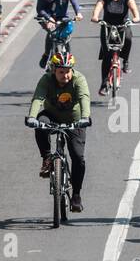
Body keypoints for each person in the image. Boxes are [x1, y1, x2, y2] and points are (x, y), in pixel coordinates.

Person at [26, 52, 91, 213]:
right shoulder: (46, 80)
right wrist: (32, 117)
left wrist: (85, 117)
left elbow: (84, 98)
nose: (65, 75)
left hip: (75, 120)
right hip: (52, 115)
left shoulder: (78, 79)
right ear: (53, 70)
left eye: (68, 71)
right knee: (40, 124)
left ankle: (76, 195)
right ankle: (47, 158)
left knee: (78, 157)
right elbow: (38, 98)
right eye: (61, 72)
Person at [90, 0, 140, 95]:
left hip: (122, 28)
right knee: (107, 55)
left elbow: (135, 11)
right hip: (107, 28)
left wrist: (136, 18)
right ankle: (103, 84)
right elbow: (98, 7)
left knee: (128, 38)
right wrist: (95, 16)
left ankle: (126, 61)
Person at [35, 0, 82, 69]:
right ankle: (47, 54)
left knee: (66, 34)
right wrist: (48, 18)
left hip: (62, 18)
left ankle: (68, 60)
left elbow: (75, 2)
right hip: (46, 17)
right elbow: (39, 9)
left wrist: (78, 13)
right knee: (51, 32)